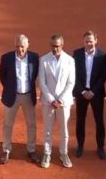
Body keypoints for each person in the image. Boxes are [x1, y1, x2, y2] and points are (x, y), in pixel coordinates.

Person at [0, 34, 40, 164]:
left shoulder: (34, 57)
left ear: (27, 45)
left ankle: (31, 149)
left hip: (28, 95)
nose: (20, 49)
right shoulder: (6, 58)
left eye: (22, 46)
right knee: (7, 124)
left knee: (31, 124)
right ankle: (6, 149)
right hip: (13, 95)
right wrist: (10, 88)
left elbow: (35, 75)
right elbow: (2, 76)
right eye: (17, 46)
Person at [38, 34, 75, 169]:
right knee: (48, 130)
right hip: (48, 102)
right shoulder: (44, 60)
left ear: (62, 44)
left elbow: (71, 83)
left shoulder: (70, 60)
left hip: (63, 102)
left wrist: (59, 100)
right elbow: (42, 82)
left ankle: (63, 153)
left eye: (57, 46)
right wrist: (51, 99)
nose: (55, 49)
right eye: (53, 46)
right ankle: (47, 153)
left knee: (64, 130)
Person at [72, 30, 106, 159]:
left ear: (96, 41)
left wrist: (93, 91)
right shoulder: (76, 54)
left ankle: (100, 147)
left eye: (91, 41)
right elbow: (73, 75)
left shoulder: (103, 56)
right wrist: (82, 91)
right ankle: (80, 146)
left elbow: (103, 77)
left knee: (99, 121)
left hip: (96, 94)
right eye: (86, 41)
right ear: (84, 41)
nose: (89, 44)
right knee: (80, 120)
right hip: (81, 93)